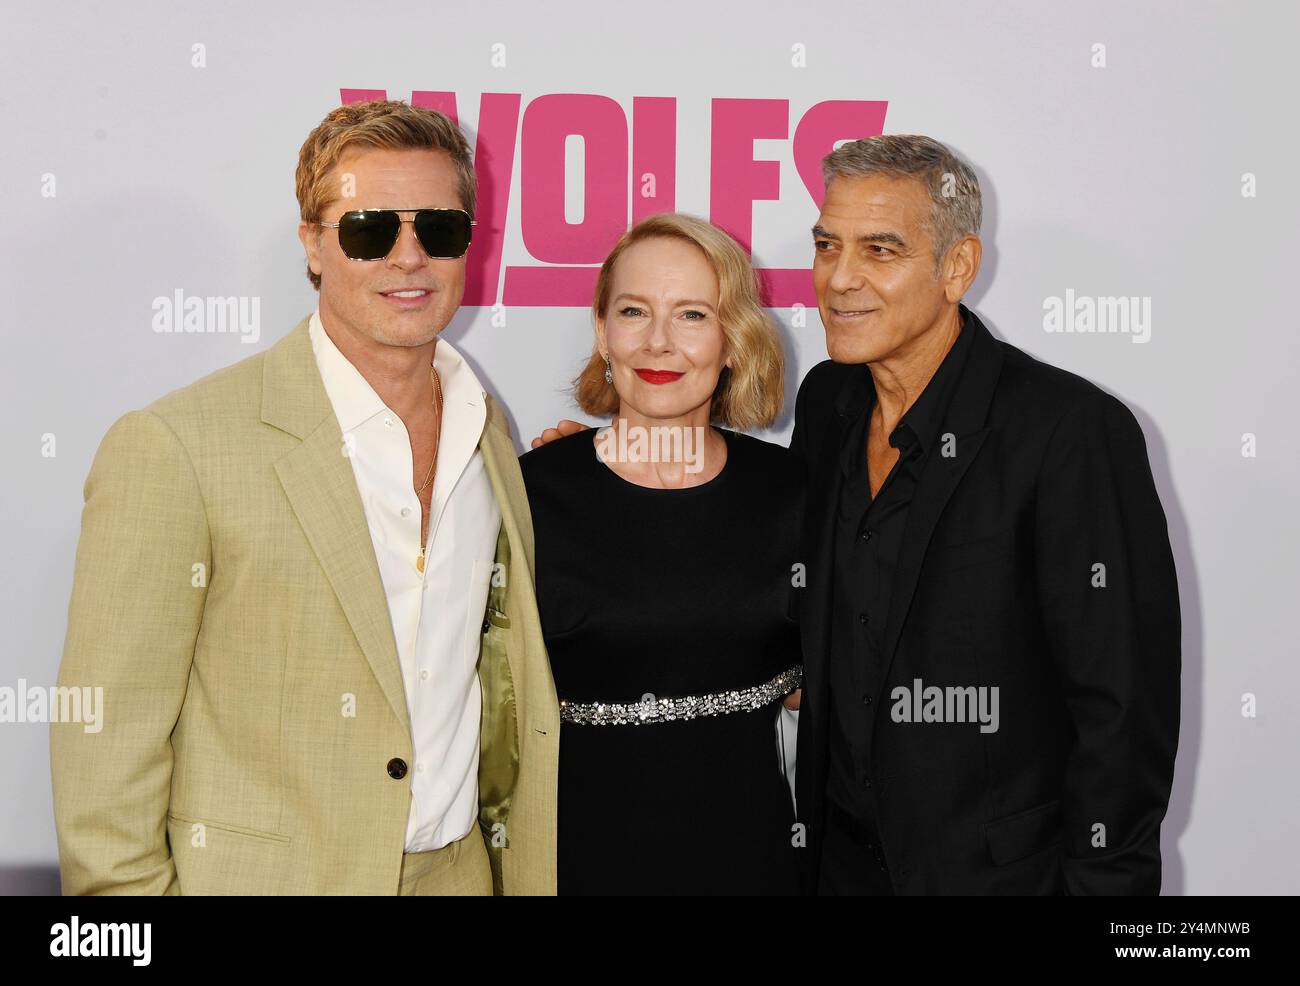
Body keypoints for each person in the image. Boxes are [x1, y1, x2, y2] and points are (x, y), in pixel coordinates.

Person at [534, 135, 1182, 896]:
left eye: (880, 250)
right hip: (826, 869)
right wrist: (595, 469)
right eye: (825, 245)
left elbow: (1122, 716)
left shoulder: (1067, 432)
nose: (839, 280)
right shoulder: (831, 405)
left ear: (957, 268)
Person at [50, 100, 558, 895]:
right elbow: (105, 741)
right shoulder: (178, 446)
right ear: (314, 246)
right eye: (369, 230)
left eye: (440, 229)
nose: (409, 258)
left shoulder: (488, 431)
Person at [519, 213, 803, 895]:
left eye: (692, 316)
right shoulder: (529, 492)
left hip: (752, 858)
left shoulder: (795, 491)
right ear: (602, 331)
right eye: (634, 311)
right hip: (573, 858)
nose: (658, 342)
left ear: (733, 338)